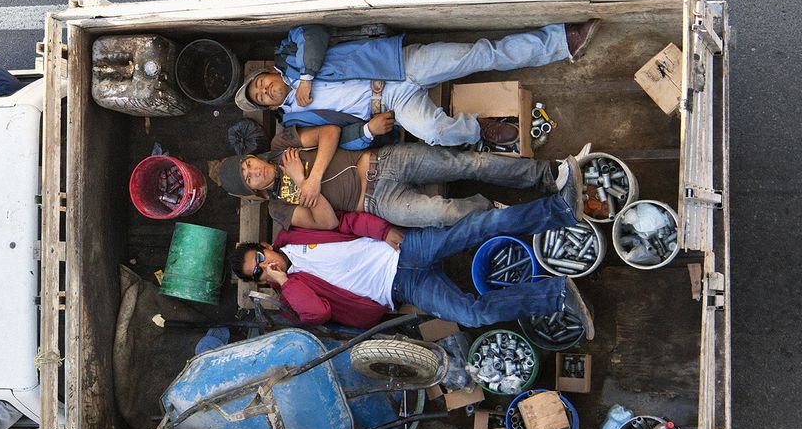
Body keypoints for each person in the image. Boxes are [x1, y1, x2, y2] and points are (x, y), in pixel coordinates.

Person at [226, 158, 594, 333]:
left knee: (482, 224)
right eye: (259, 271)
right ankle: (556, 295)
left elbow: (345, 222)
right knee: (471, 315)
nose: (267, 266)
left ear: (265, 244)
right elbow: (319, 313)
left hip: (405, 249)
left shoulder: (295, 238)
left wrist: (383, 230)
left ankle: (559, 209)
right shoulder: (292, 297)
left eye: (261, 257)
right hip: (403, 287)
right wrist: (286, 282)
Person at [234, 21, 600, 148]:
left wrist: (308, 77)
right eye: (261, 98)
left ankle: (560, 41)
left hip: (395, 64)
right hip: (390, 104)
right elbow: (337, 138)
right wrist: (365, 131)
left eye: (261, 85)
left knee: (478, 55)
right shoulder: (298, 122)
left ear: (267, 74)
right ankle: (479, 131)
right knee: (435, 132)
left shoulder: (290, 55)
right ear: (268, 107)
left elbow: (314, 34)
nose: (265, 91)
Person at [214, 121, 580, 230]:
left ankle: (549, 175)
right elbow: (325, 222)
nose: (255, 171)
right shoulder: (279, 207)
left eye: (247, 164)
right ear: (253, 190)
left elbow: (330, 133)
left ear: (251, 157)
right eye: (249, 178)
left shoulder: (282, 145)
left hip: (383, 162)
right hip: (376, 201)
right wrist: (308, 190)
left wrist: (310, 177)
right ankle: (490, 208)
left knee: (467, 163)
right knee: (442, 215)